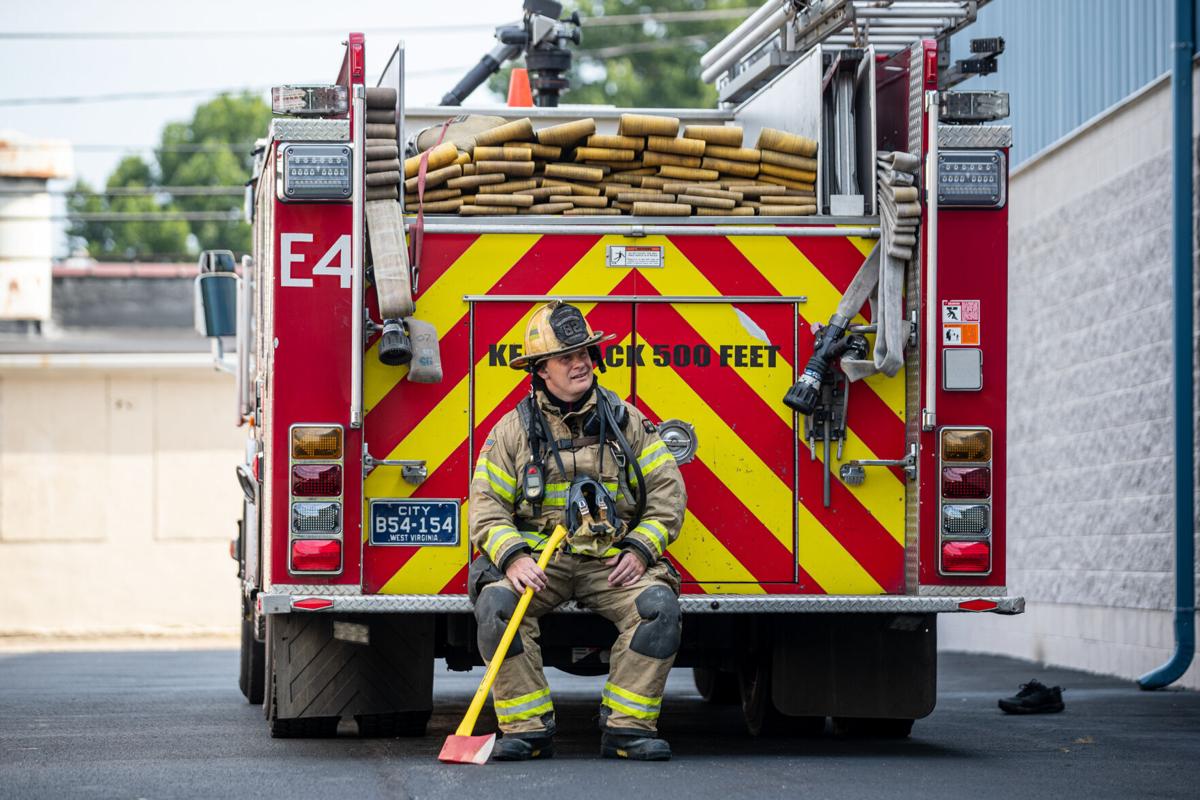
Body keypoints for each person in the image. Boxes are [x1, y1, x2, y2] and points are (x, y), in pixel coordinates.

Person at [468, 300, 687, 762]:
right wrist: (513, 558)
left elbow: (668, 494)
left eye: (584, 352)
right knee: (496, 606)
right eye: (566, 357)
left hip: (609, 561)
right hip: (539, 565)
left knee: (659, 608)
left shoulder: (626, 423)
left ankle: (628, 730)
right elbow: (485, 508)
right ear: (540, 370)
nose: (580, 362)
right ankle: (527, 731)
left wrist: (640, 550)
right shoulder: (513, 432)